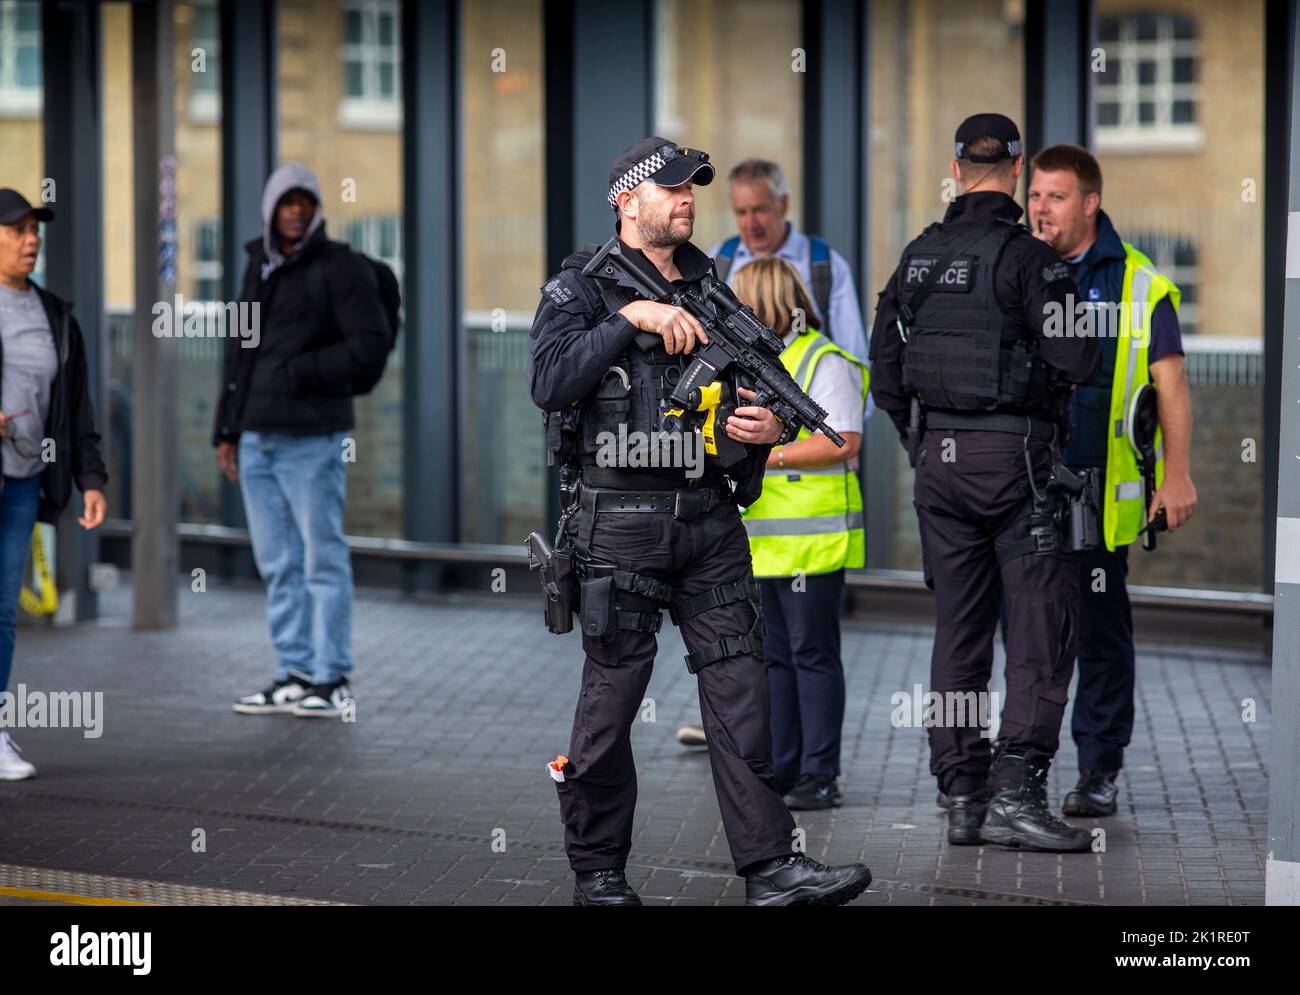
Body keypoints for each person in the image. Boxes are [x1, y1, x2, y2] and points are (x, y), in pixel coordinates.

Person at [529, 136, 872, 906]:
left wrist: (765, 433)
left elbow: (753, 396)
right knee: (611, 701)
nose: (688, 201)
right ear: (627, 200)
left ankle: (770, 868)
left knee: (741, 693)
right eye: (672, 189)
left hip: (709, 521)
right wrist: (631, 317)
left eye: (693, 190)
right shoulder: (580, 288)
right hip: (617, 525)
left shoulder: (714, 289)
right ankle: (599, 871)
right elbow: (550, 382)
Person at [868, 114, 1101, 851]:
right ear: (1016, 166)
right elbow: (1079, 360)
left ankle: (962, 794)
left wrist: (924, 439)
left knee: (958, 633)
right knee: (1039, 629)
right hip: (1017, 465)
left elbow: (884, 370)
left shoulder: (916, 257)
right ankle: (1017, 791)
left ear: (956, 165)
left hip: (938, 467)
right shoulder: (1030, 260)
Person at [1027, 144, 1195, 817]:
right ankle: (1025, 769)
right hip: (1029, 488)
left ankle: (1098, 767)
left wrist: (1177, 474)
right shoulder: (1021, 268)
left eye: (1056, 196)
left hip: (1099, 495)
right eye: (1035, 194)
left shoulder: (1136, 281)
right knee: (1032, 635)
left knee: (1099, 634)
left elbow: (1172, 382)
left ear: (1090, 203)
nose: (1040, 208)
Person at [215, 163, 390, 720]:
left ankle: (331, 678)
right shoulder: (258, 267)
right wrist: (226, 428)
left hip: (312, 438)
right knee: (277, 563)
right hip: (256, 439)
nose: (295, 210)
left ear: (316, 209)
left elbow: (370, 346)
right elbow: (239, 353)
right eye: (285, 201)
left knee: (321, 558)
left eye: (304, 201)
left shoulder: (339, 268)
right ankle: (292, 672)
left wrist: (298, 371)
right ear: (270, 209)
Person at [732, 257, 868, 811]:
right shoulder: (753, 362)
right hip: (766, 543)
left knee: (812, 656)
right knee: (775, 661)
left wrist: (769, 452)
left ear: (767, 303)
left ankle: (819, 774)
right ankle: (785, 769)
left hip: (815, 543)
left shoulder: (822, 360)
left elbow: (845, 440)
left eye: (743, 302)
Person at [0, 188, 108, 780]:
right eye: (16, 230)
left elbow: (77, 411)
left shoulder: (55, 316)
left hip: (22, 481)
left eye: (34, 230)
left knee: (1, 612)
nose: (30, 239)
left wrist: (89, 479)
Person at [707, 158, 869, 364]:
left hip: (812, 393)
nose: (750, 223)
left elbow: (853, 354)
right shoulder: (718, 262)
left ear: (783, 204)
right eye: (741, 212)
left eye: (760, 210)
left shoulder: (825, 266)